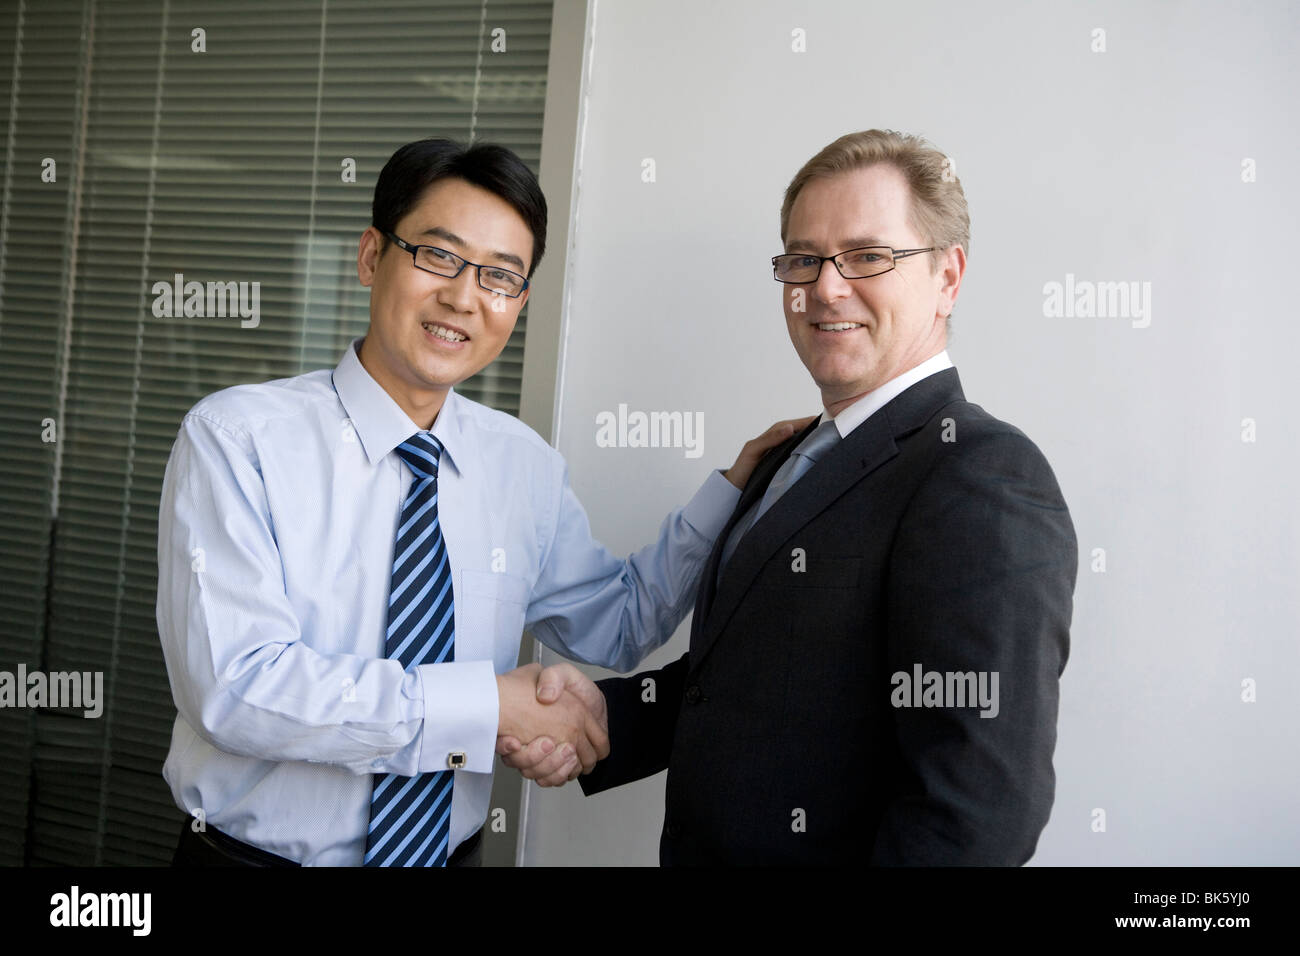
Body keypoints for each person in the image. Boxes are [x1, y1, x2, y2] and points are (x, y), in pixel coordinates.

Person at [156, 137, 802, 867]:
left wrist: (731, 492)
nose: (464, 297)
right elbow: (237, 688)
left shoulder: (520, 465)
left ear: (518, 303)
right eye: (438, 255)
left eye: (500, 276)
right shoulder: (238, 438)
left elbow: (617, 623)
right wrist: (489, 706)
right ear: (373, 257)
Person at [500, 129, 1079, 865]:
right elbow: (746, 680)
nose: (826, 287)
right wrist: (605, 721)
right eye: (804, 258)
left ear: (948, 277)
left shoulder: (982, 475)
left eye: (868, 256)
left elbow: (976, 812)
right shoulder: (786, 457)